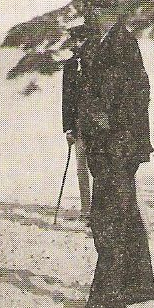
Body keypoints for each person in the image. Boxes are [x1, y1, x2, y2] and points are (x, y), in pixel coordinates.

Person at [73, 0, 154, 308]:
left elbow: (138, 93)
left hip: (118, 144)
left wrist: (110, 122)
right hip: (110, 143)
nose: (84, 15)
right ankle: (139, 286)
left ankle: (107, 294)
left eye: (86, 10)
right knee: (125, 213)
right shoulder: (99, 44)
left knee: (106, 216)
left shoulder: (122, 43)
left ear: (99, 10)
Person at [61, 23, 96, 228]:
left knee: (97, 168)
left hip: (96, 126)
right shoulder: (70, 66)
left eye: (77, 39)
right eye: (73, 39)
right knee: (81, 168)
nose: (73, 44)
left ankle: (99, 210)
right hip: (79, 126)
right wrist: (68, 128)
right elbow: (67, 100)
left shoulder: (97, 62)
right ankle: (86, 210)